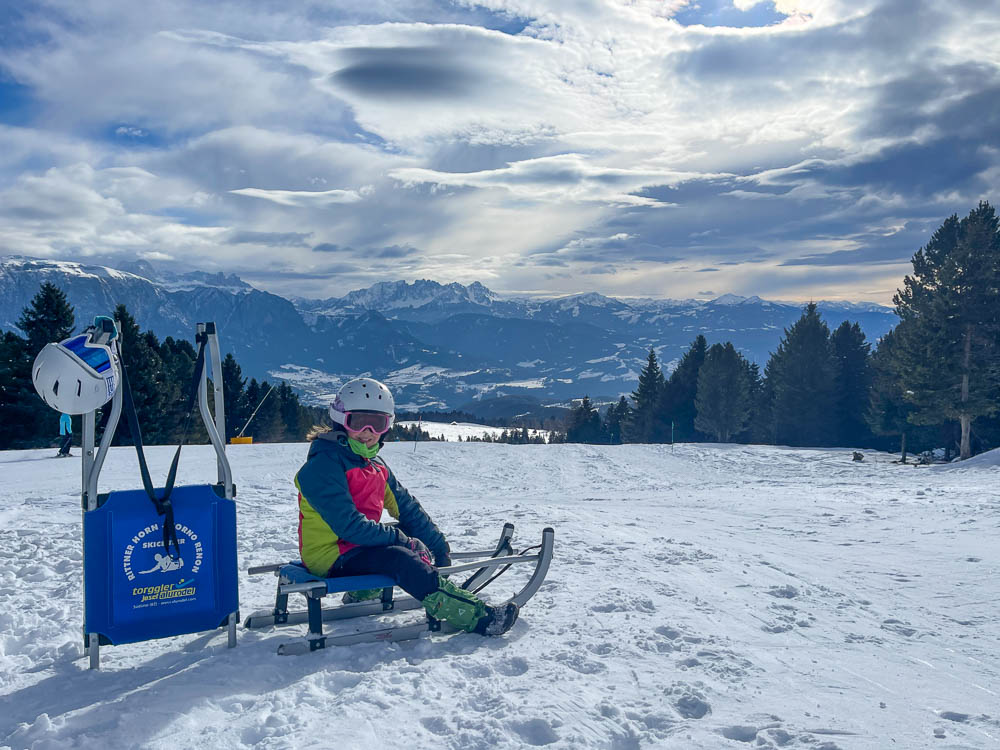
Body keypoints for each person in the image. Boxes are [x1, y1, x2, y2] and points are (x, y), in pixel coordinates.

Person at [294, 377, 518, 636]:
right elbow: (351, 528)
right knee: (400, 558)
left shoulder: (375, 466)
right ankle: (479, 618)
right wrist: (405, 542)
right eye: (358, 422)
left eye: (376, 424)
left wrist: (438, 547)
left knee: (405, 536)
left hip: (356, 548)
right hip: (330, 556)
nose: (367, 431)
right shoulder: (322, 467)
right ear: (340, 421)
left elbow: (408, 510)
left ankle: (361, 594)